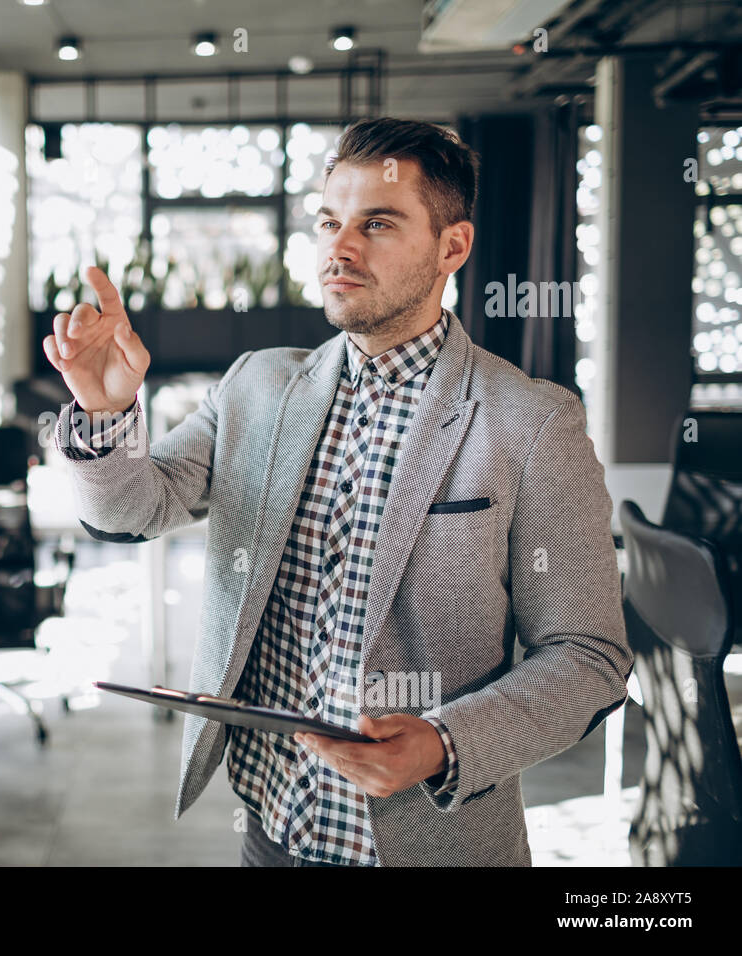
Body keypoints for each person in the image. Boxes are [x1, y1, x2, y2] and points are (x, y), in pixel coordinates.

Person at [42, 116, 633, 867]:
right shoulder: (257, 384)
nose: (340, 249)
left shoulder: (531, 423)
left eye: (377, 224)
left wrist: (443, 743)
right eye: (328, 222)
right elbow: (132, 510)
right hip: (271, 829)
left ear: (453, 246)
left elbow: (588, 656)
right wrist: (103, 409)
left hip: (429, 846)